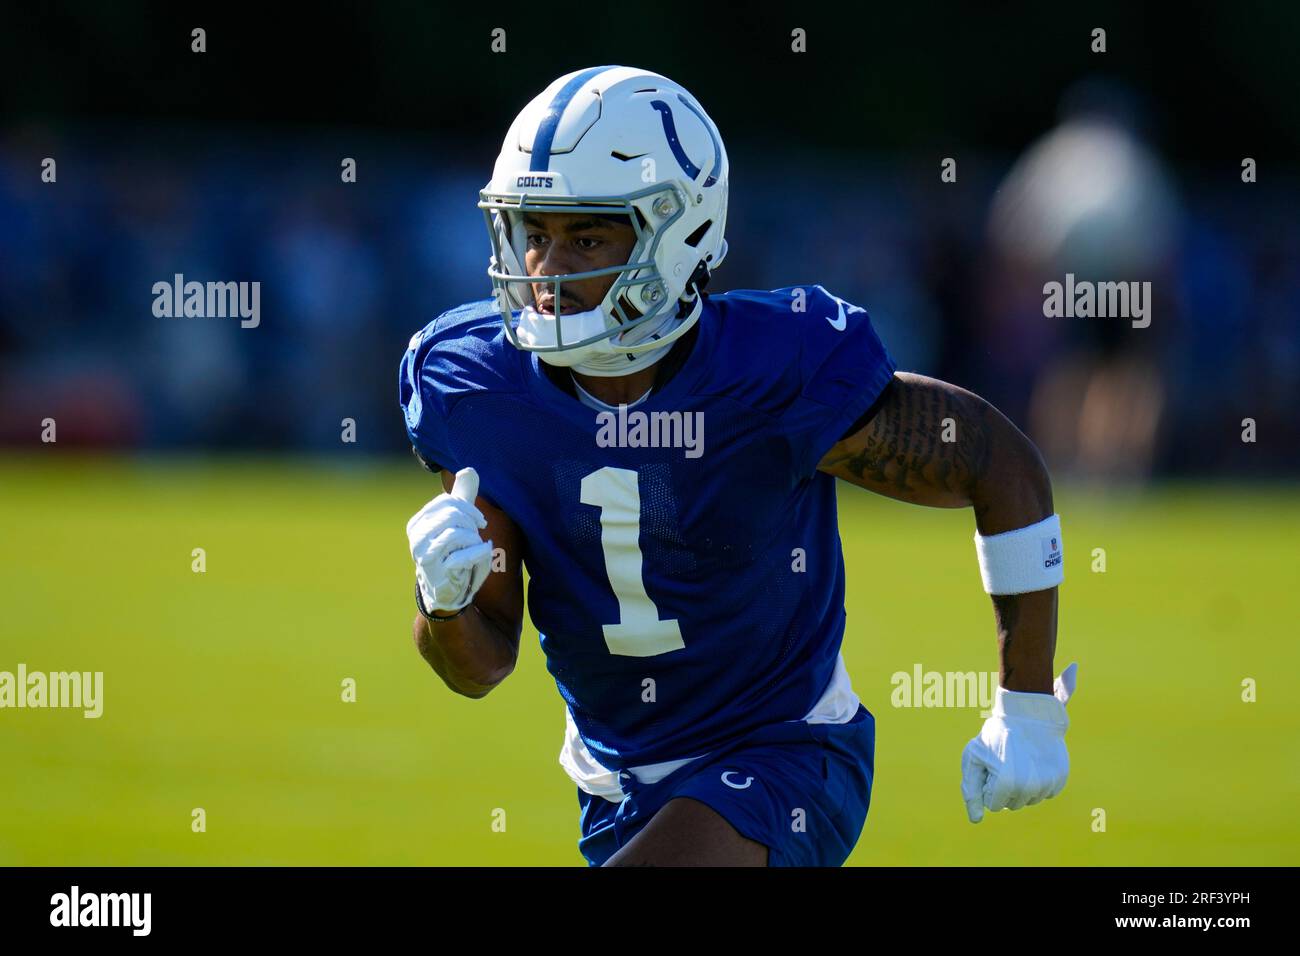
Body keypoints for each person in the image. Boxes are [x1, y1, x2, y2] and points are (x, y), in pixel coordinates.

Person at [399, 66, 1076, 866]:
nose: (546, 273)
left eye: (586, 238)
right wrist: (442, 602)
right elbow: (481, 665)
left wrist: (1029, 706)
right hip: (614, 787)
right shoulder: (474, 384)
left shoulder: (773, 369)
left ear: (677, 234)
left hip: (786, 752)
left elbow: (997, 462)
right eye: (534, 233)